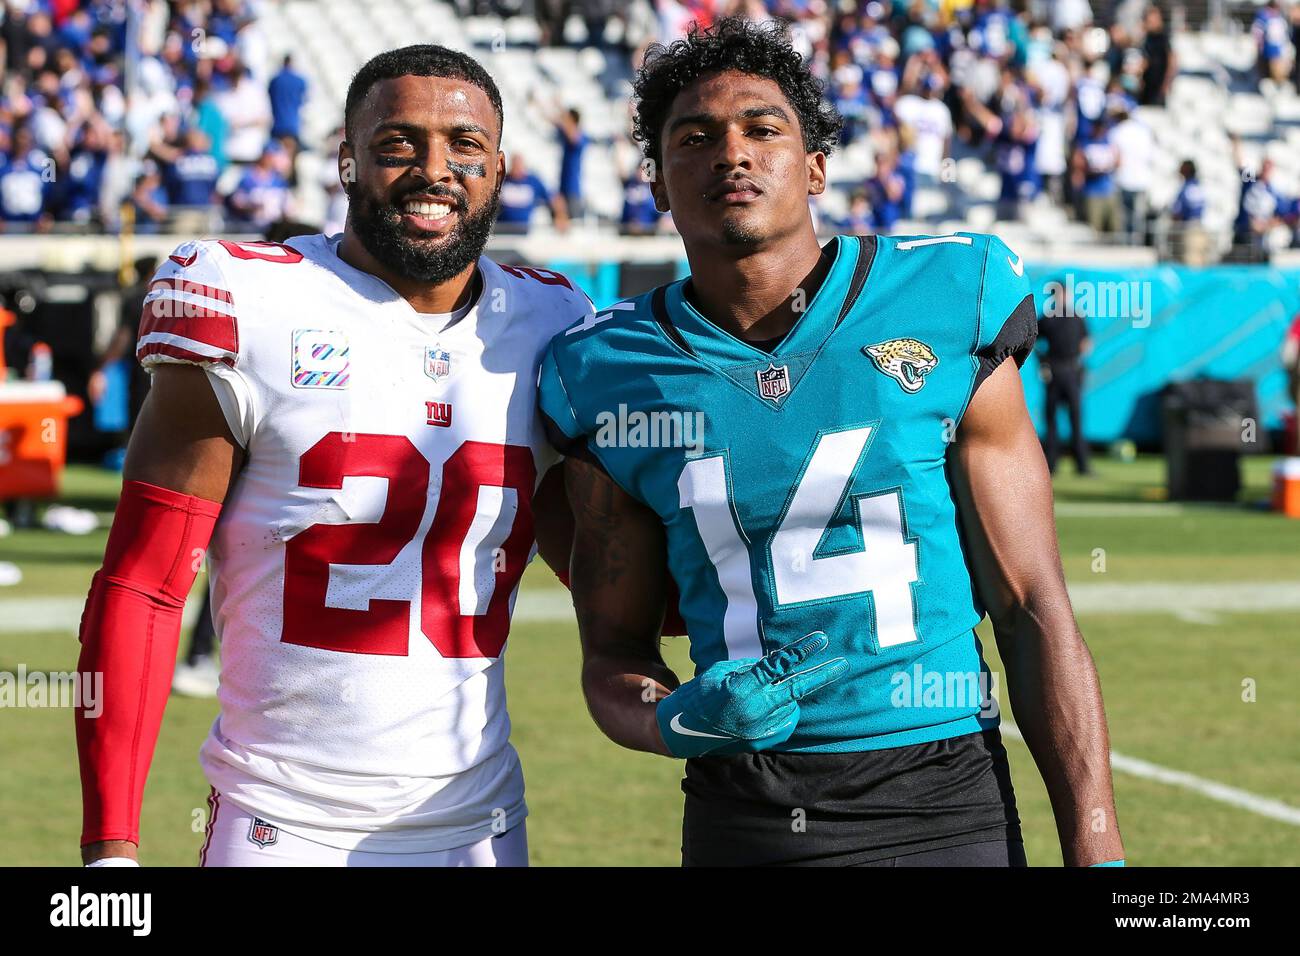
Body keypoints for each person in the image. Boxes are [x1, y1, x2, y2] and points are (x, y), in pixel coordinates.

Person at [540, 18, 1124, 868]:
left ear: (815, 165)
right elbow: (613, 659)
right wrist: (673, 720)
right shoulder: (604, 370)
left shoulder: (947, 293)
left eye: (762, 129)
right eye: (694, 139)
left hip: (945, 796)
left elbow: (1032, 604)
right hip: (744, 807)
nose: (730, 154)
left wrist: (1097, 848)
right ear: (658, 185)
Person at [75, 44, 593, 868]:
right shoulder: (248, 297)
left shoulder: (551, 320)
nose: (435, 169)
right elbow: (143, 584)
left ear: (500, 168)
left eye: (465, 146)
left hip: (485, 829)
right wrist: (110, 851)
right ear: (347, 161)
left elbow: (600, 575)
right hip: (283, 828)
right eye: (398, 145)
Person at [1037, 285, 1092, 475]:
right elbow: (1086, 345)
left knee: (1069, 420)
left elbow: (1032, 343)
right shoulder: (1063, 317)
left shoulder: (1059, 317)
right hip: (1064, 370)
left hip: (1061, 370)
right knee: (1060, 420)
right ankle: (1061, 464)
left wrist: (1044, 361)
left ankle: (1069, 464)